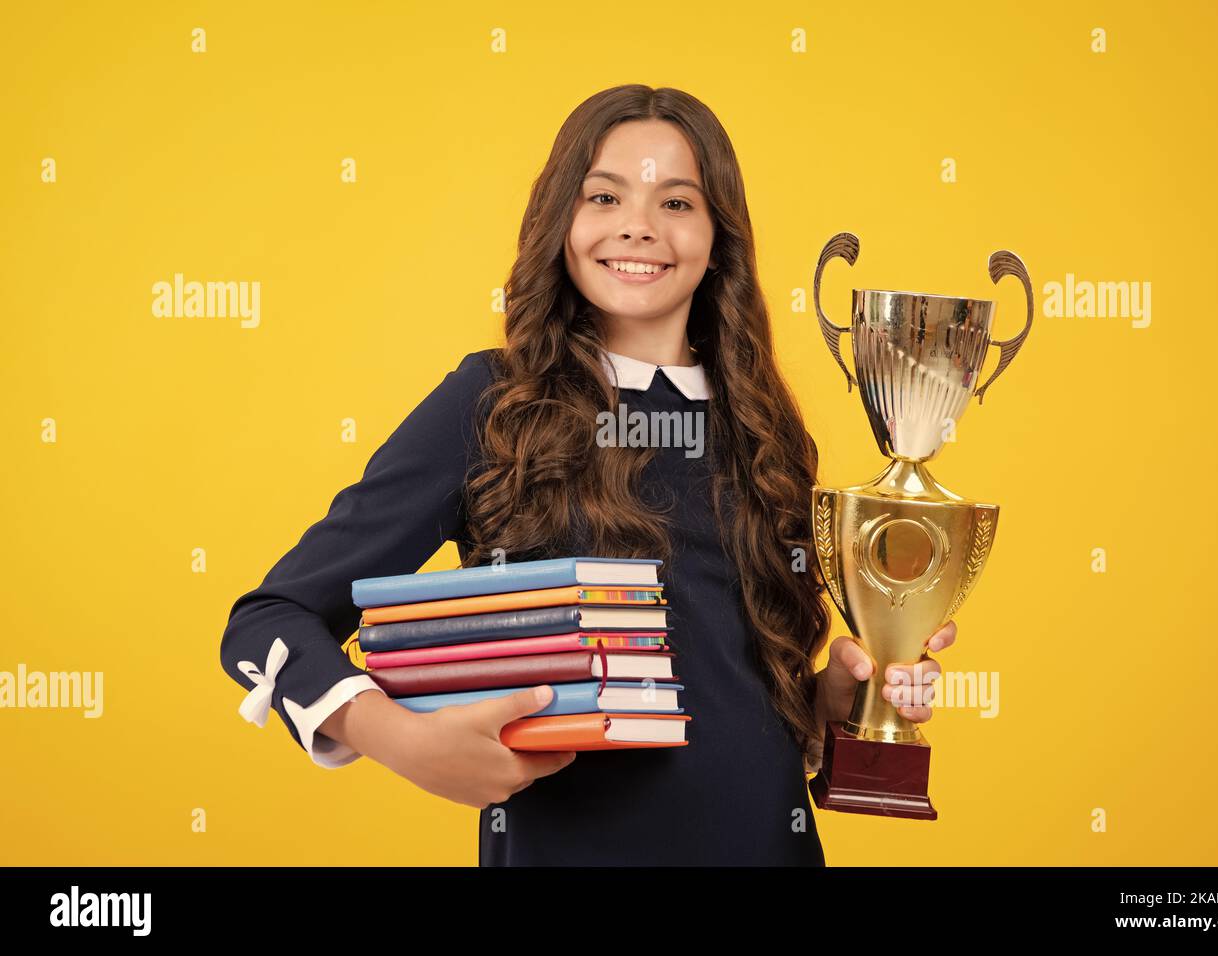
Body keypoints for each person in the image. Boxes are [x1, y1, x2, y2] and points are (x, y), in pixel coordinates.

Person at [219, 84, 957, 866]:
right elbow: (267, 619)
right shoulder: (491, 403)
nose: (638, 224)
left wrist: (838, 702)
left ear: (719, 240)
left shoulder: (766, 430)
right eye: (605, 195)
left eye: (678, 203)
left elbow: (745, 705)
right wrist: (400, 739)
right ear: (560, 222)